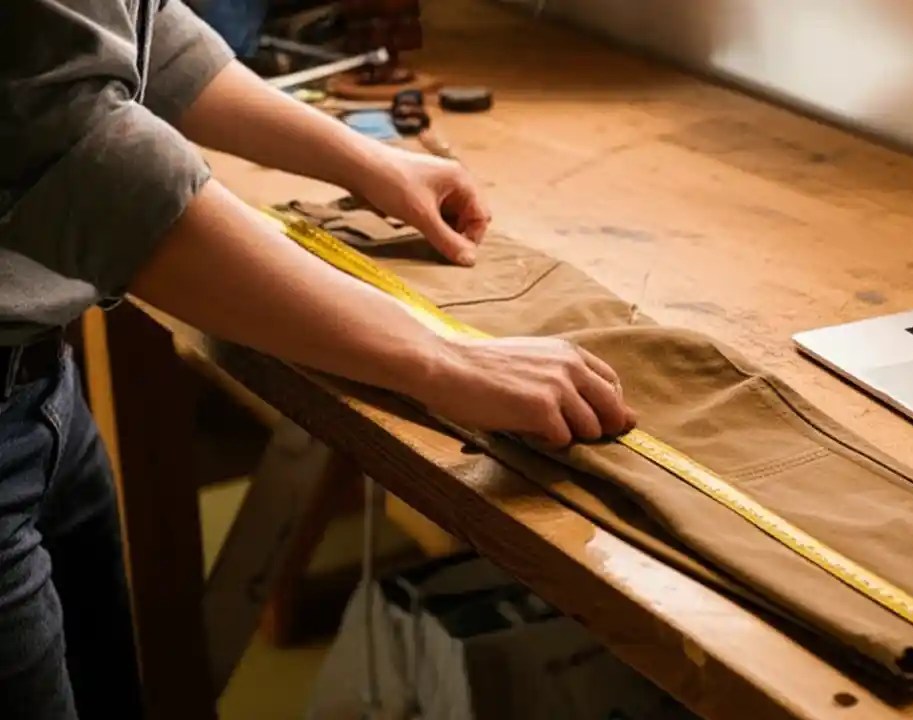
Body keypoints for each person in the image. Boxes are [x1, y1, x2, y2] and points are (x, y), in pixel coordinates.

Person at [0, 1, 636, 717]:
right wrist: (440, 357)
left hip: (37, 380)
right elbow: (70, 150)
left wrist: (359, 157)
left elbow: (115, 30)